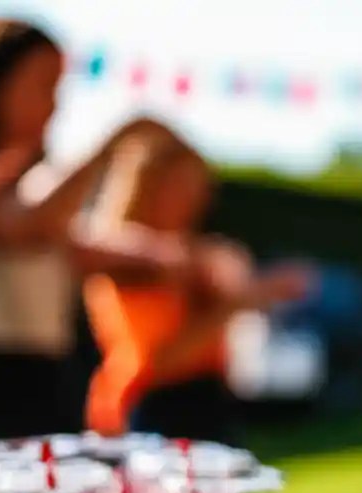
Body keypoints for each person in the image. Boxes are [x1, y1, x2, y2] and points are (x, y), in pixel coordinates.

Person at [0, 18, 190, 440]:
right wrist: (114, 141)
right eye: (43, 85)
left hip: (51, 387)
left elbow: (82, 244)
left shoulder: (40, 183)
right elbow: (25, 224)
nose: (54, 105)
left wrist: (166, 255)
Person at [85, 134, 308, 442]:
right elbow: (158, 362)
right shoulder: (123, 257)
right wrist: (235, 303)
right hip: (152, 408)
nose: (193, 198)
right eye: (178, 185)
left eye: (197, 186)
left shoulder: (198, 253)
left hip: (207, 402)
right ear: (146, 186)